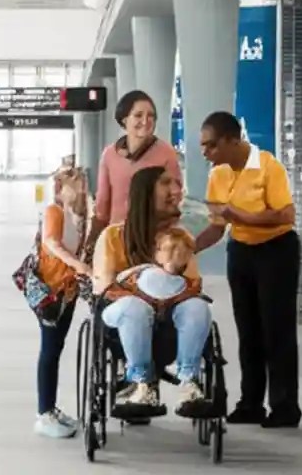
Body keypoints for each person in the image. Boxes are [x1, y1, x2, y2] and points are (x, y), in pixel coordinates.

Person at [193, 111, 302, 428]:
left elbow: (286, 215)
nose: (205, 153)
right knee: (248, 329)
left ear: (232, 140)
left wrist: (239, 214)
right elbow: (216, 228)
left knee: (276, 330)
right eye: (203, 146)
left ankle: (284, 406)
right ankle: (250, 403)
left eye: (211, 146)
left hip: (276, 250)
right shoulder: (218, 175)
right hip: (241, 251)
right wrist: (187, 248)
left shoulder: (268, 166)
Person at [91, 166, 212, 417]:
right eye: (166, 184)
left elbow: (192, 285)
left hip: (169, 319)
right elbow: (104, 288)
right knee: (134, 308)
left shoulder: (179, 239)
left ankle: (188, 382)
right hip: (123, 320)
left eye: (177, 184)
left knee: (198, 306)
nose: (176, 191)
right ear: (146, 194)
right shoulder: (114, 236)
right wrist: (142, 287)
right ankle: (141, 384)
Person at [33, 168, 91, 438]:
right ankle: (44, 413)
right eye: (74, 186)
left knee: (55, 348)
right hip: (51, 292)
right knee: (49, 349)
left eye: (81, 185)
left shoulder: (76, 216)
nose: (79, 191)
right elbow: (51, 243)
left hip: (67, 291)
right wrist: (79, 265)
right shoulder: (53, 212)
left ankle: (51, 409)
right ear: (59, 189)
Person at [87, 91, 183, 257]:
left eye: (151, 116)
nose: (146, 121)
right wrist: (93, 241)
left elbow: (175, 196)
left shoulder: (166, 153)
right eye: (138, 115)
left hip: (155, 239)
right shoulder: (110, 154)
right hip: (117, 238)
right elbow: (103, 203)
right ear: (124, 120)